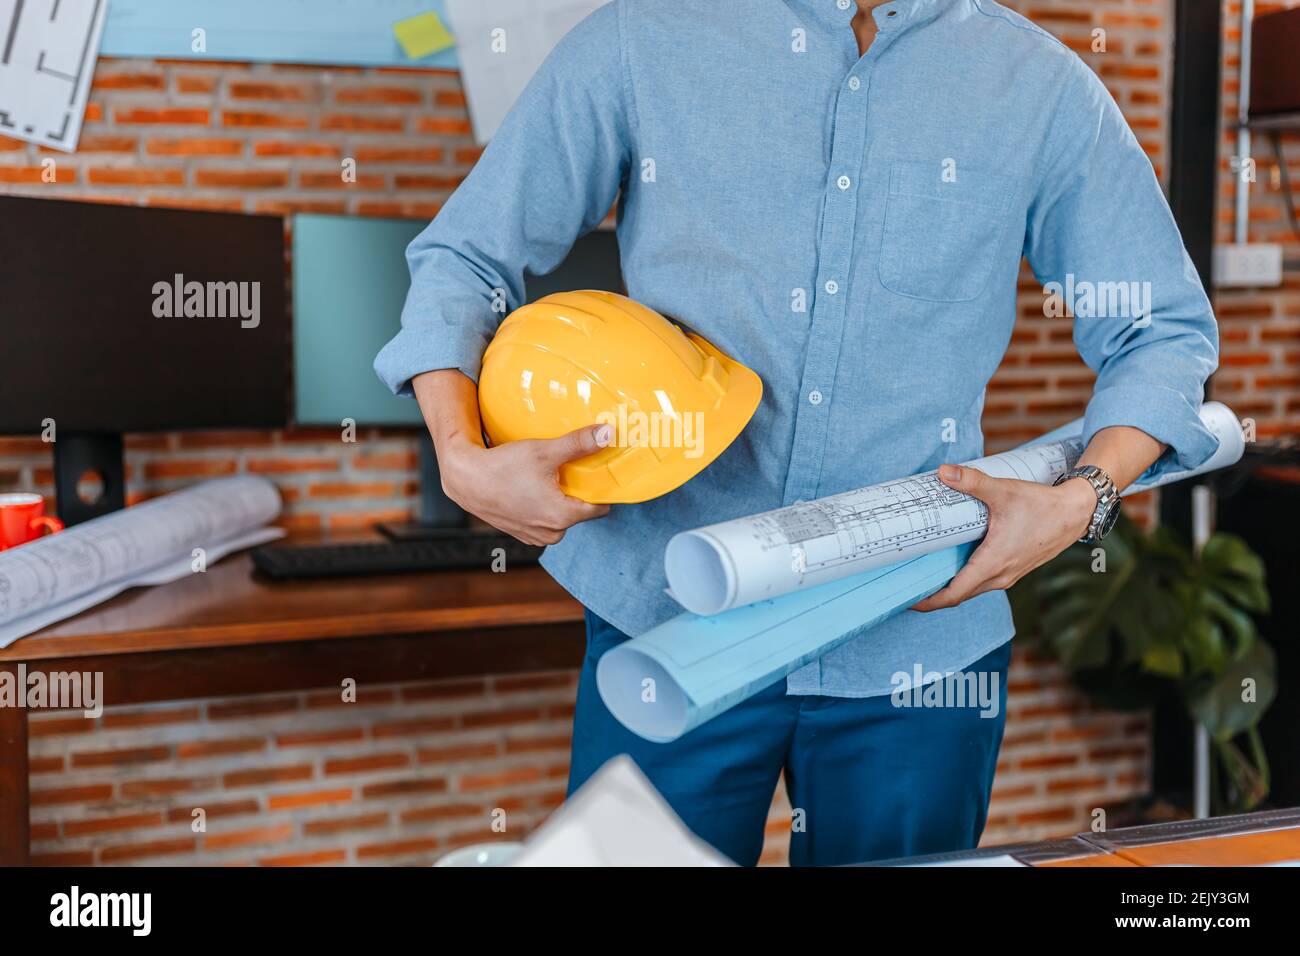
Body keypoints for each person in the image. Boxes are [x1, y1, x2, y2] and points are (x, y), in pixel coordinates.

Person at [375, 0, 1219, 866]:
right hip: (670, 620)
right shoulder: (644, 36)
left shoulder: (1039, 86)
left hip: (918, 648)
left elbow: (1162, 331)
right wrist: (460, 456)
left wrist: (1083, 500)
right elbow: (464, 259)